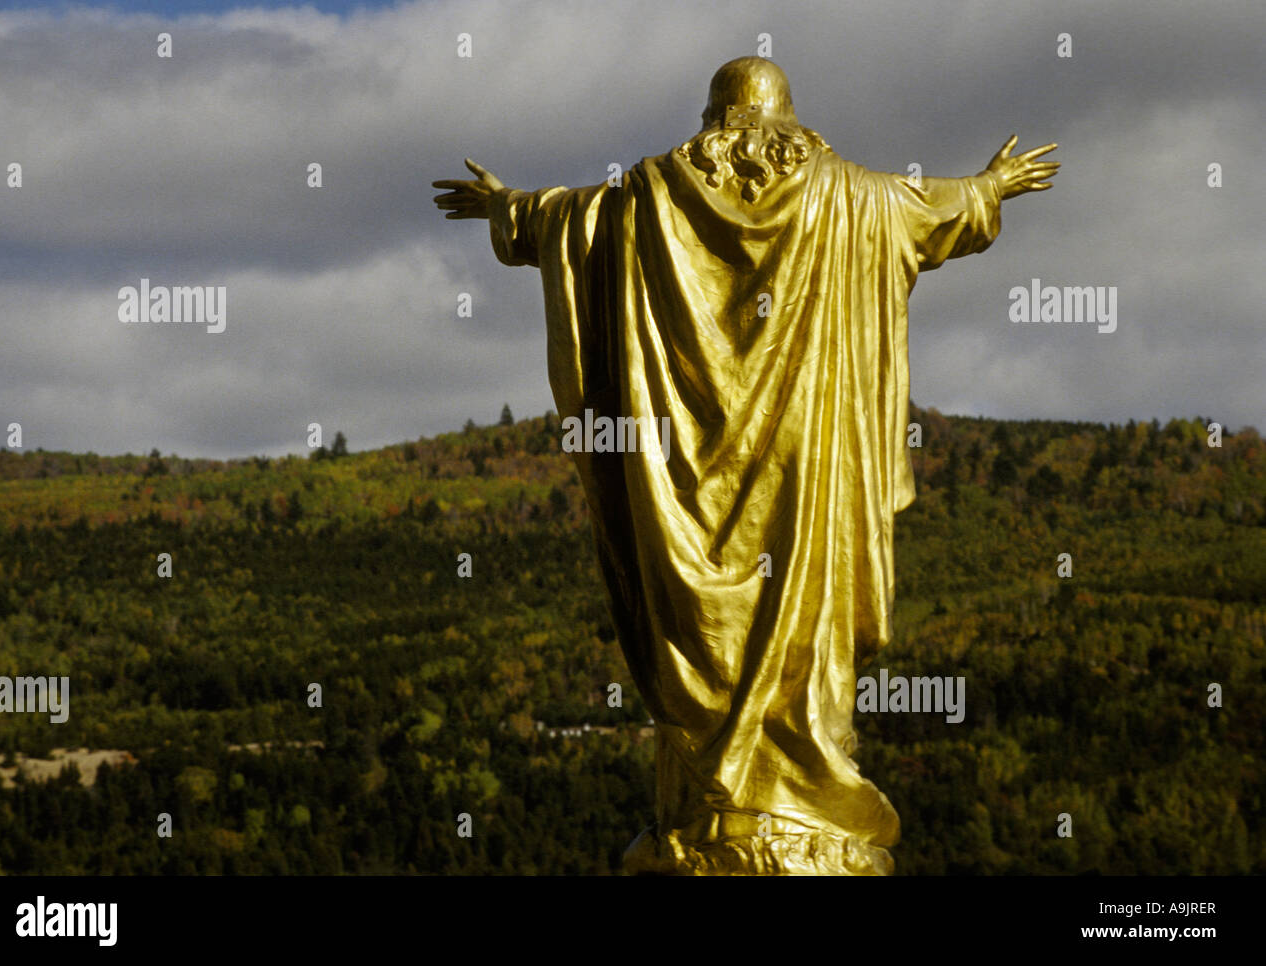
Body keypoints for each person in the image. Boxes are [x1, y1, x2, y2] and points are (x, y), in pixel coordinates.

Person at [434, 56, 1057, 875]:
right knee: (812, 632)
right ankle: (783, 814)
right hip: (809, 472)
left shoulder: (648, 197)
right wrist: (988, 187)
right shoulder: (846, 196)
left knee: (701, 649)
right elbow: (920, 208)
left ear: (713, 121)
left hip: (680, 492)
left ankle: (716, 814)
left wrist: (510, 206)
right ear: (789, 122)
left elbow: (570, 218)